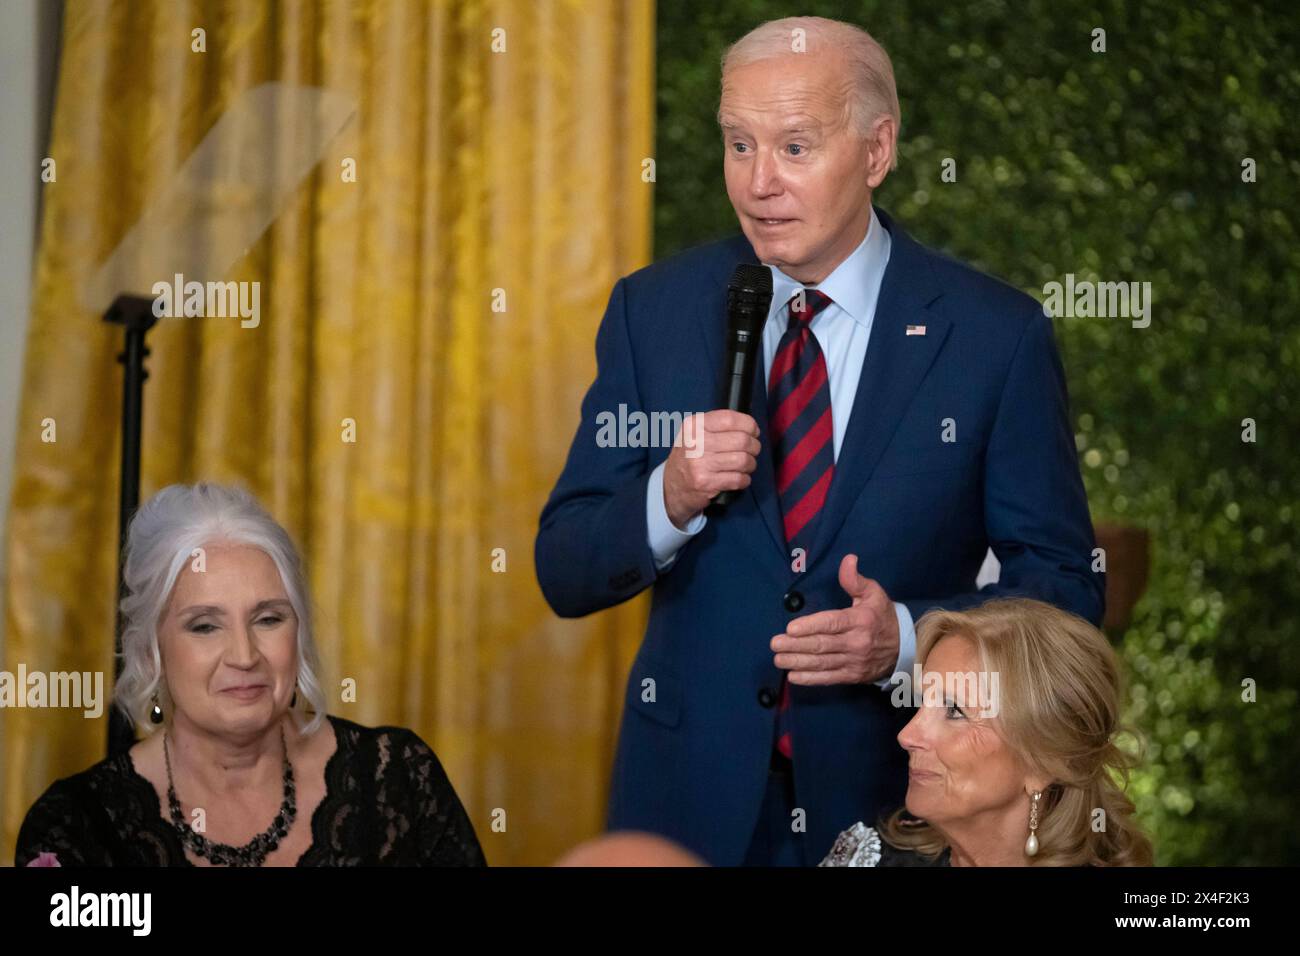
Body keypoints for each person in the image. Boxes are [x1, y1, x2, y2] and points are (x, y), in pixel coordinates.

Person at [535, 16, 1104, 865]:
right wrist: (671, 495)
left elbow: (1065, 590)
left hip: (896, 805)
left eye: (795, 148)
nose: (758, 183)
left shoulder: (995, 337)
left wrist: (908, 642)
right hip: (685, 803)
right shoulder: (653, 312)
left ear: (877, 151)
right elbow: (565, 567)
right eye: (738, 145)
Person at [16, 482, 485, 866]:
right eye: (204, 625)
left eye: (268, 619)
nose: (244, 655)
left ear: (298, 631)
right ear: (150, 647)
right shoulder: (76, 826)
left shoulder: (398, 777)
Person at [820, 598, 1152, 866]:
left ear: (1044, 763)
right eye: (921, 703)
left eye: (954, 711)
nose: (907, 736)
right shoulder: (866, 858)